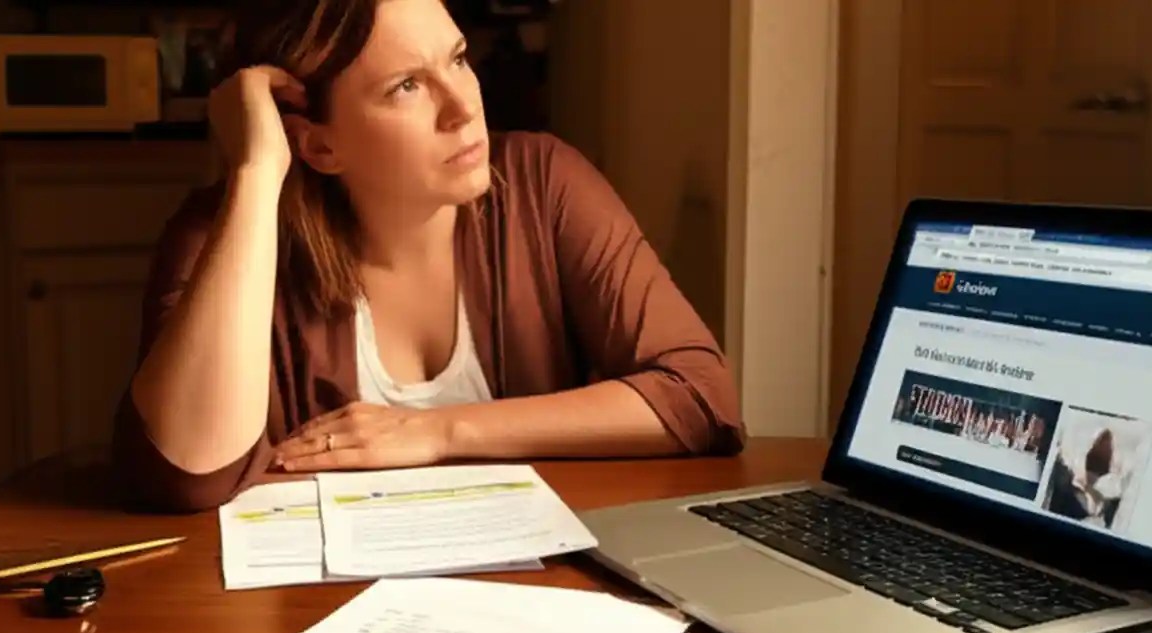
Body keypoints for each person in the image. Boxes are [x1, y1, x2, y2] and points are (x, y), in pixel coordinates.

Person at [111, 0, 744, 512]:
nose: (464, 107)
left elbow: (697, 395)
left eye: (459, 59)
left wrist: (438, 431)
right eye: (407, 85)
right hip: (315, 622)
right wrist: (256, 170)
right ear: (319, 146)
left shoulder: (543, 182)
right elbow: (189, 472)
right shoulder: (227, 232)